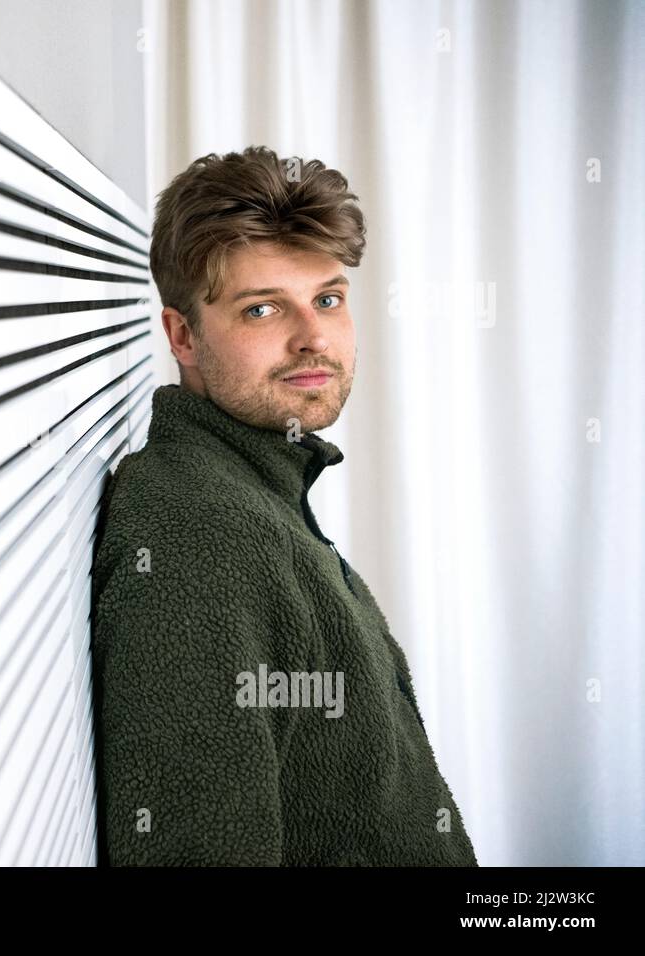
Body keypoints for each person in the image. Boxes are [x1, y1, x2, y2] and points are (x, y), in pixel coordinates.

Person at [89, 146, 478, 866]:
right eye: (262, 308)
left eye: (327, 299)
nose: (313, 338)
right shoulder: (200, 542)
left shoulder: (252, 491)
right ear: (183, 336)